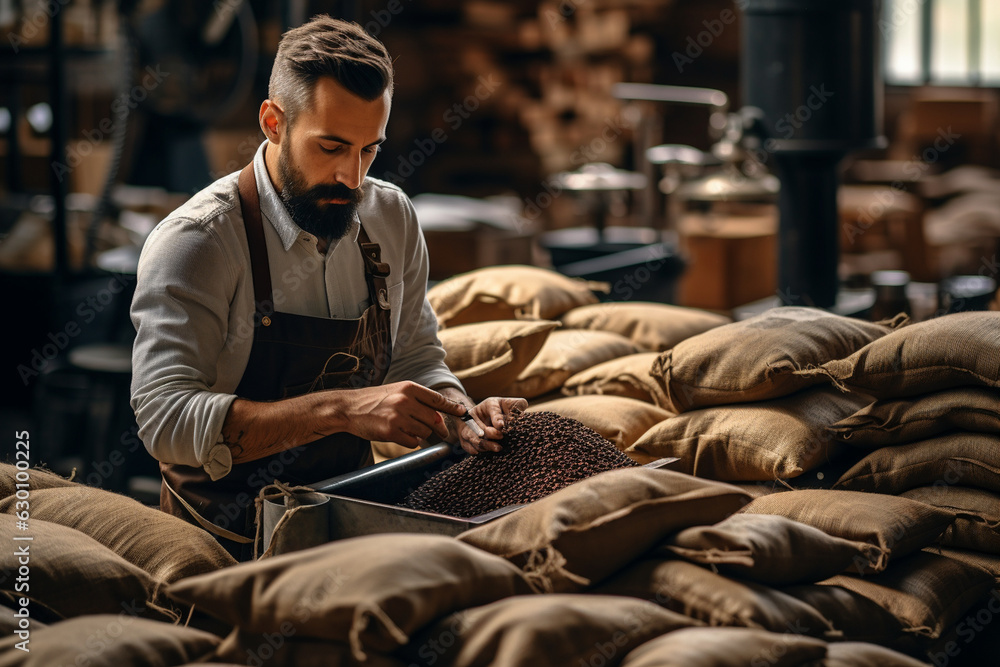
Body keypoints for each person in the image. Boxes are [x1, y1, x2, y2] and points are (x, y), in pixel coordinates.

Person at [129, 15, 525, 559]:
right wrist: (342, 411)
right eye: (332, 147)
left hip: (351, 518)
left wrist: (459, 414)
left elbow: (415, 357)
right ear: (273, 122)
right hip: (222, 540)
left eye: (369, 150)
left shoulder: (391, 219)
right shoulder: (199, 243)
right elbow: (164, 417)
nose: (353, 177)